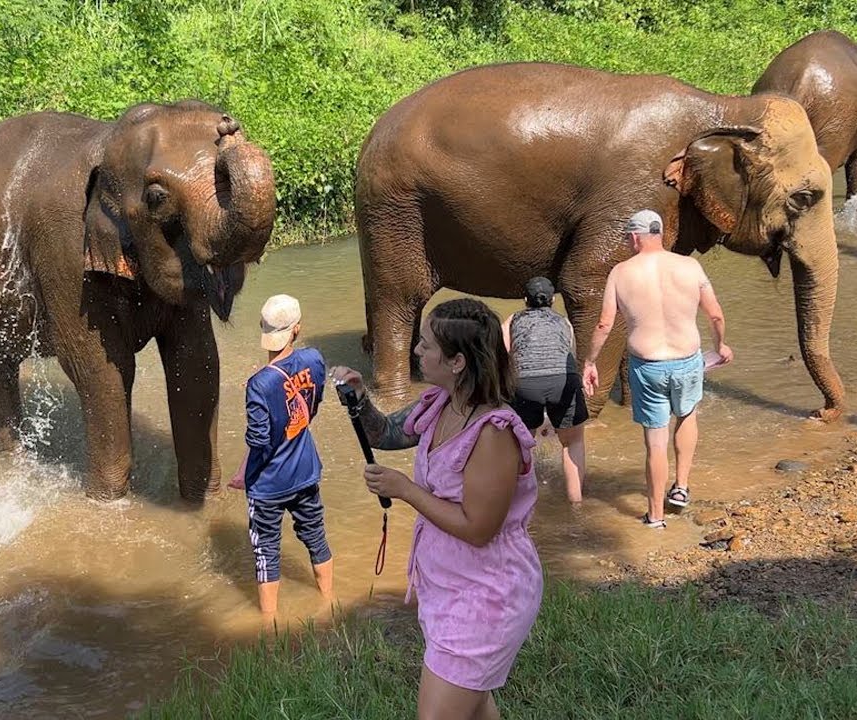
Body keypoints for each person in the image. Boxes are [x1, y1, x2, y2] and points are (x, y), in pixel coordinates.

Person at [332, 298, 541, 720]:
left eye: (426, 345)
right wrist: (359, 398)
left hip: (487, 595)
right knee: (474, 706)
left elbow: (479, 529)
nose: (416, 351)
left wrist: (406, 490)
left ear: (457, 361)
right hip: (448, 587)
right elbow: (385, 433)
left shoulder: (493, 433)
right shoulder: (438, 404)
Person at [582, 210, 733, 528]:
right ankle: (681, 487)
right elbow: (716, 315)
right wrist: (720, 346)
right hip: (687, 360)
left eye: (627, 239)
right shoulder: (690, 266)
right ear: (660, 234)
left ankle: (655, 517)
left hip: (647, 366)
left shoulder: (620, 273)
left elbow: (604, 324)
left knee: (655, 441)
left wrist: (590, 362)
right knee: (687, 415)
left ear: (634, 237)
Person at [230, 294, 334, 622]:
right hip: (305, 469)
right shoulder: (315, 359)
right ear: (296, 329)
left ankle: (268, 626)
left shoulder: (259, 384)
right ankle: (329, 603)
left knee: (267, 553)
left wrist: (244, 471)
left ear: (263, 328)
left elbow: (259, 440)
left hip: (268, 484)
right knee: (316, 537)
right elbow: (312, 405)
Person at [501, 276, 588, 504]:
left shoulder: (513, 319)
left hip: (525, 383)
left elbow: (504, 355)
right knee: (572, 442)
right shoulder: (564, 322)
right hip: (564, 381)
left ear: (525, 300)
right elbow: (569, 355)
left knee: (520, 443)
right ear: (552, 301)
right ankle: (576, 504)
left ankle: (518, 503)